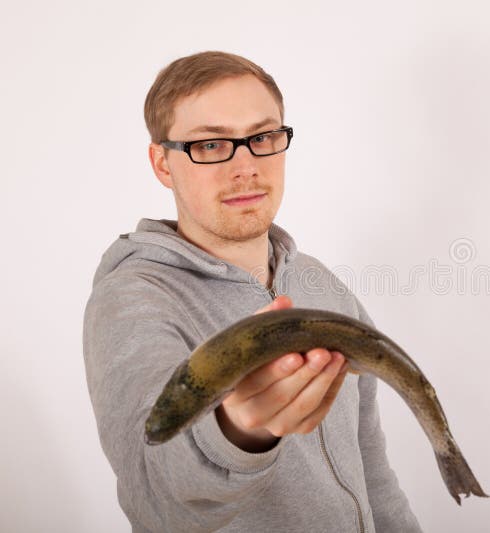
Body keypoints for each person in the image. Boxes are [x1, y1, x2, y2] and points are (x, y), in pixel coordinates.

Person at [82, 50, 423, 533]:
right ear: (162, 163)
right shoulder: (133, 301)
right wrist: (238, 429)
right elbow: (157, 497)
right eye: (211, 145)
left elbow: (374, 477)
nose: (245, 167)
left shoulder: (320, 285)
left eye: (261, 137)